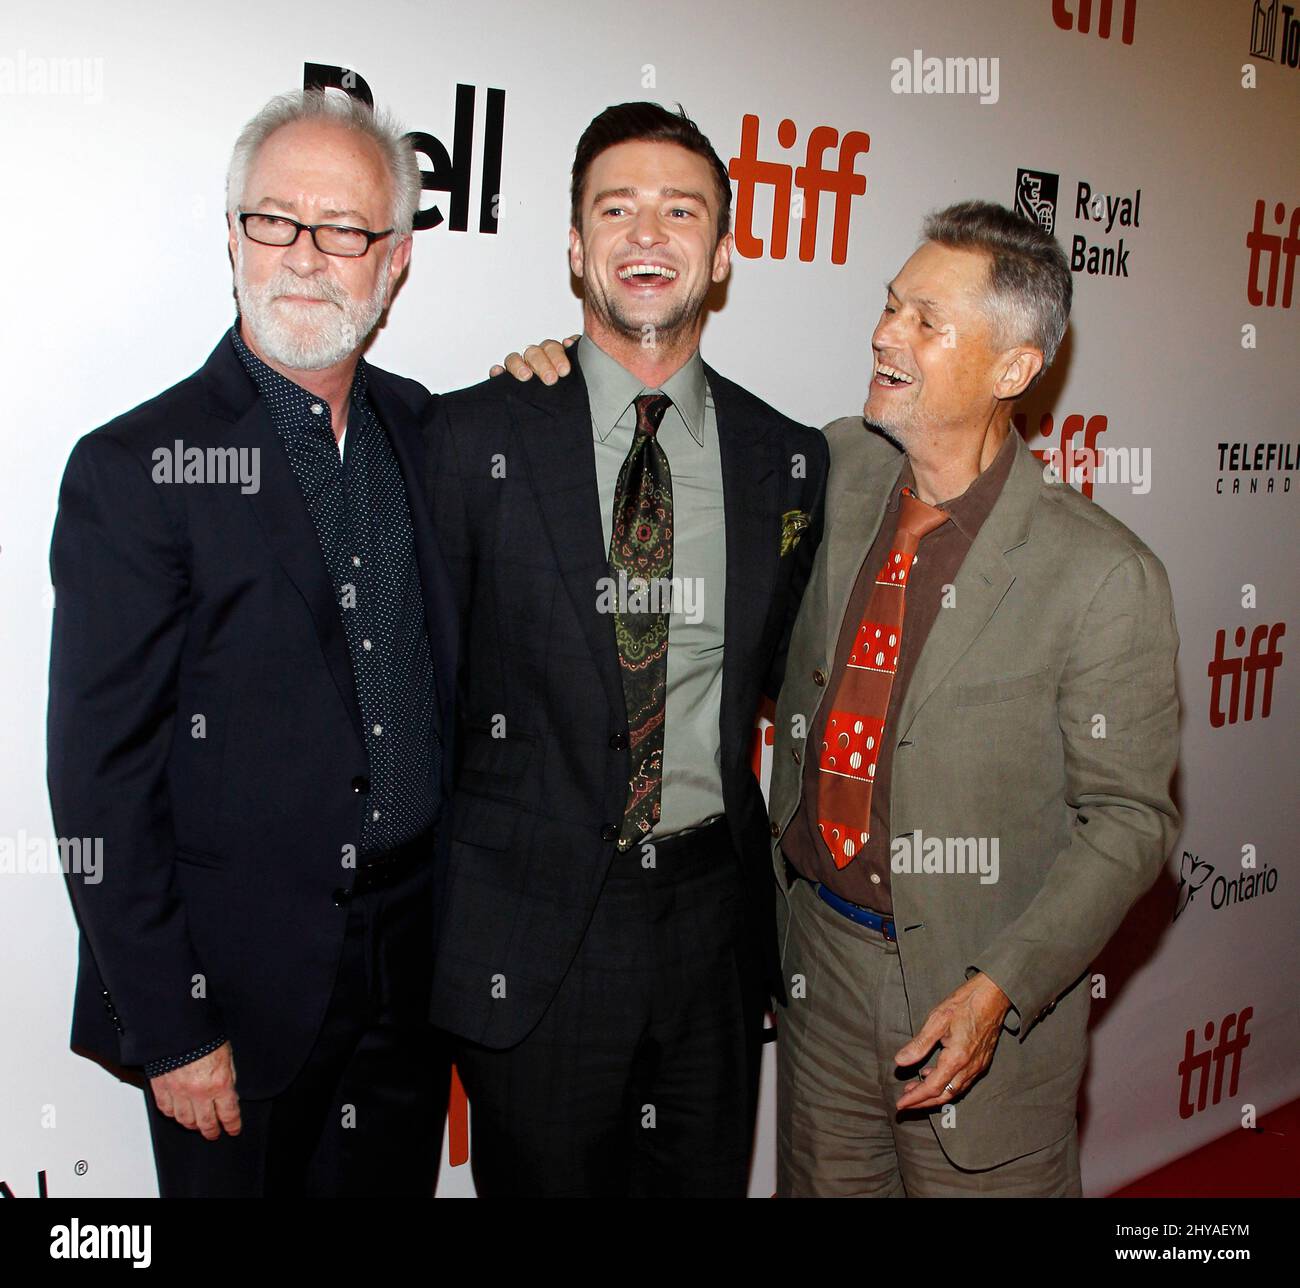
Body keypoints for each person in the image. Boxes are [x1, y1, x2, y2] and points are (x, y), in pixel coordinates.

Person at [47, 88, 457, 1196]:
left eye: (345, 231)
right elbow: (100, 783)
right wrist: (171, 1026)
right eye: (275, 221)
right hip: (229, 996)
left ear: (395, 260)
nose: (307, 258)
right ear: (231, 235)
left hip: (411, 982)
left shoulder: (432, 436)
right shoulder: (136, 470)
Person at [424, 101, 828, 1196]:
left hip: (711, 925)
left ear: (726, 253)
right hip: (539, 928)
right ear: (573, 248)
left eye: (680, 210)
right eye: (617, 208)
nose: (647, 234)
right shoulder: (473, 439)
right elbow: (430, 704)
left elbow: (786, 678)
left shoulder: (786, 460)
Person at [767, 201, 1180, 1196]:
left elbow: (1128, 818)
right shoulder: (836, 469)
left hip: (974, 993)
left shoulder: (1101, 574)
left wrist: (1002, 986)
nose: (883, 334)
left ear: (1012, 369)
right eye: (889, 306)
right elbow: (688, 449)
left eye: (924, 319)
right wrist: (561, 374)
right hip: (818, 964)